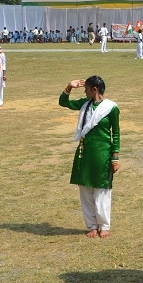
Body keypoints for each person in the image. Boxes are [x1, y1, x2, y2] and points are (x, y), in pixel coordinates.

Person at [59, 76, 120, 238]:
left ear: (94, 89)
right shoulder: (85, 104)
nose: (84, 91)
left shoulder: (111, 108)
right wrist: (68, 87)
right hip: (84, 153)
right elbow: (63, 102)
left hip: (103, 154)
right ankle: (92, 225)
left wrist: (115, 157)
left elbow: (116, 134)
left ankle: (104, 225)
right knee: (85, 190)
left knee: (101, 190)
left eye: (86, 88)